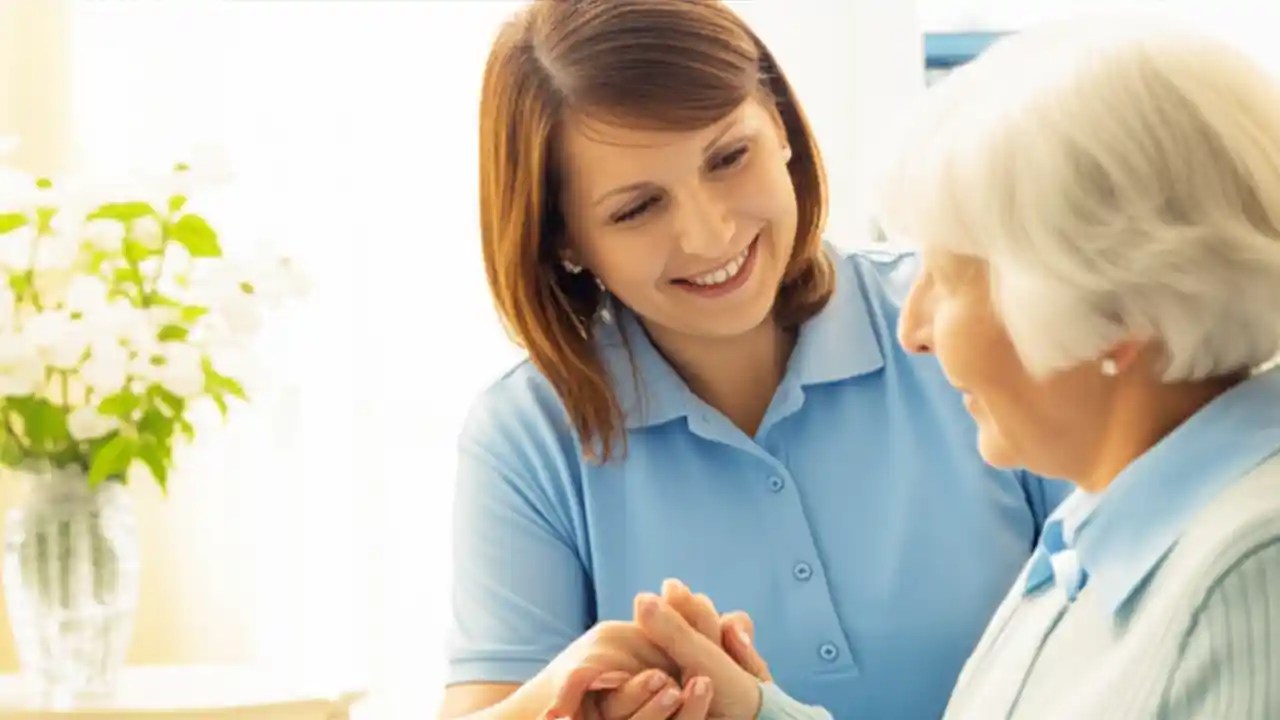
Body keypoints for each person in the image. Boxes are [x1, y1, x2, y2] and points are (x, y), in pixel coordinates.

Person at [549, 15, 1280, 720]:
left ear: (1119, 308)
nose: (913, 327)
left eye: (950, 275)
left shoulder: (1245, 580)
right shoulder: (1100, 536)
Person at [439, 1, 1068, 718]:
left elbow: (1146, 627)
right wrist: (567, 696)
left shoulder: (961, 314)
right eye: (637, 208)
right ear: (566, 242)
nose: (710, 234)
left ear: (780, 125)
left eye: (728, 158)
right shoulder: (527, 435)